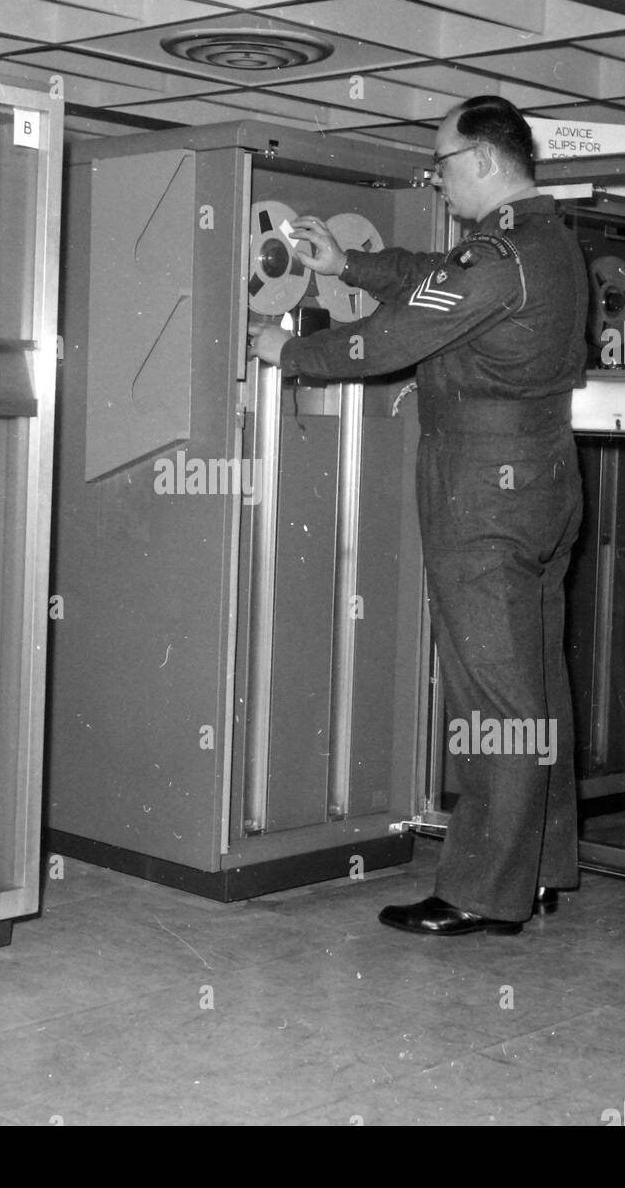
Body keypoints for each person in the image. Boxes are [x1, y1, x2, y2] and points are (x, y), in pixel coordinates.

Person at [249, 96, 587, 936]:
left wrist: (290, 351)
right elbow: (438, 282)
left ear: (484, 160)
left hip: (483, 490)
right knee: (535, 685)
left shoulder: (501, 254)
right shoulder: (545, 244)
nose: (437, 180)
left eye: (441, 164)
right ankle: (537, 871)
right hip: (544, 480)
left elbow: (394, 340)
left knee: (495, 696)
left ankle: (482, 892)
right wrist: (350, 265)